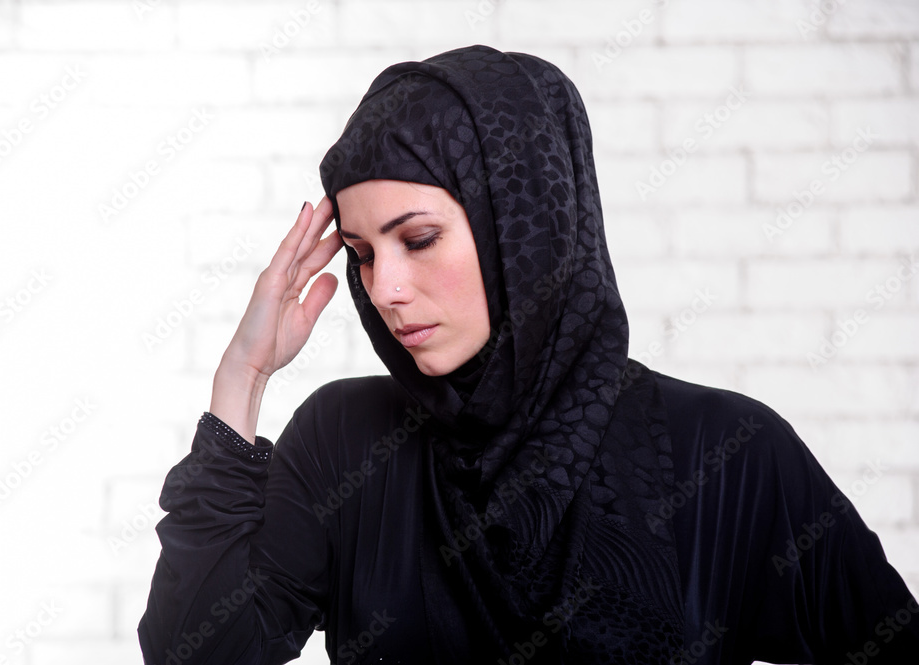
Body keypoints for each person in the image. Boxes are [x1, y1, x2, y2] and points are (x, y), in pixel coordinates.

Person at [138, 45, 919, 664]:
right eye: (361, 252)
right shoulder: (345, 441)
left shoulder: (728, 453)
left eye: (417, 239)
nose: (386, 288)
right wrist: (241, 379)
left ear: (525, 227)